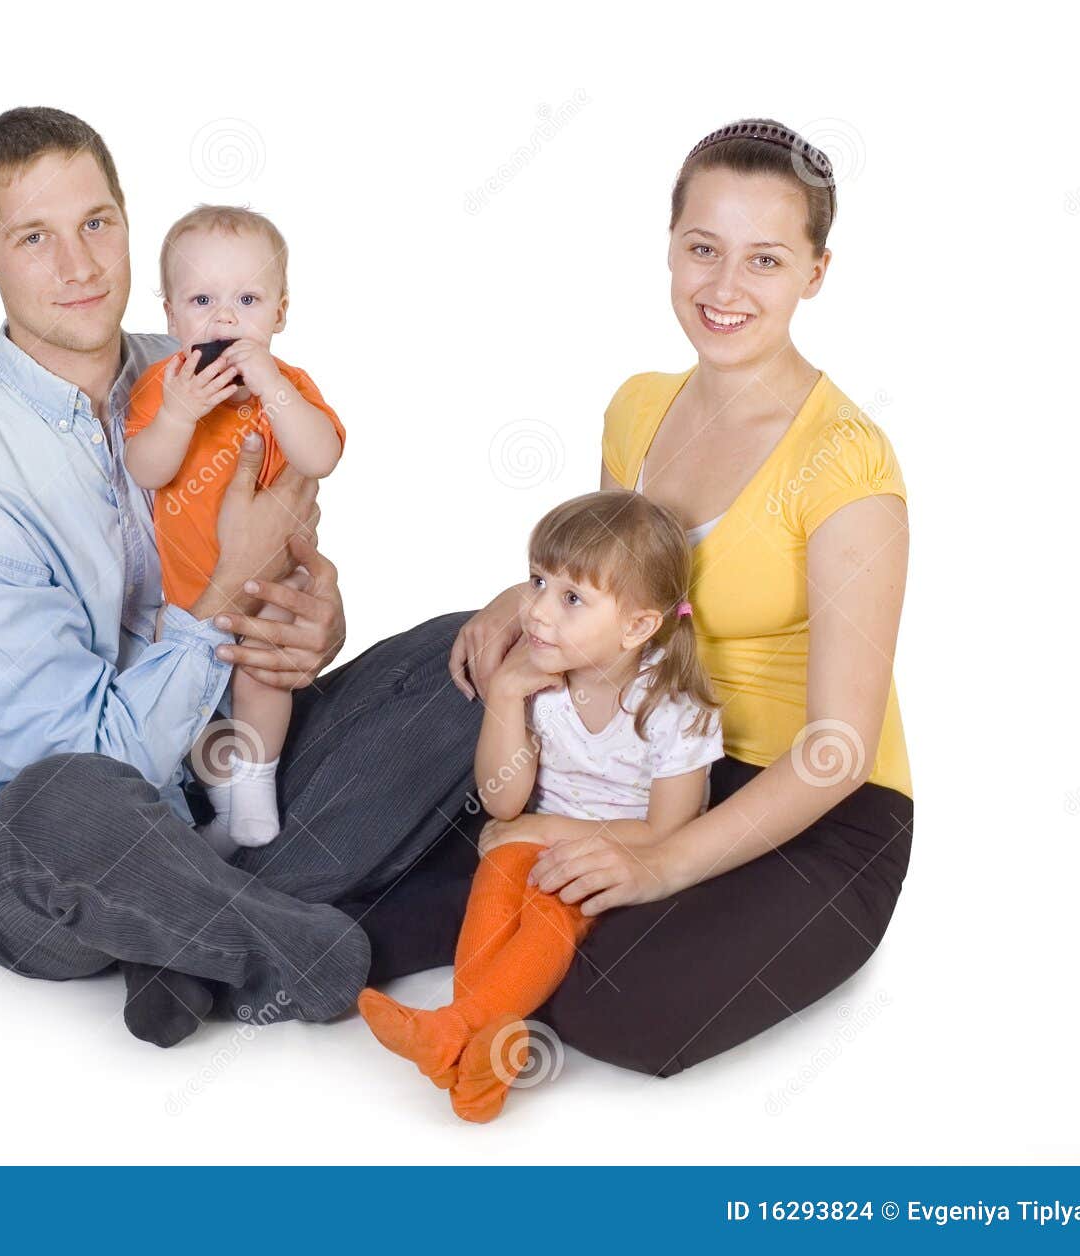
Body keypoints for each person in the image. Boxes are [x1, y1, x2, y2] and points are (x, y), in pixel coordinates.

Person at [0, 107, 480, 1049]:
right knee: (56, 807)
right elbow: (93, 762)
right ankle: (313, 946)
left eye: (97, 223)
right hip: (56, 859)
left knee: (471, 651)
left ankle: (190, 943)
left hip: (232, 774)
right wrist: (230, 585)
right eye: (35, 237)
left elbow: (290, 545)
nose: (79, 266)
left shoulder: (199, 368)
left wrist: (311, 618)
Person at [360, 117, 916, 1080]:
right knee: (427, 802)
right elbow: (614, 583)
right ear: (670, 245)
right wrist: (511, 599)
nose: (724, 289)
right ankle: (299, 914)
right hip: (641, 755)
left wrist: (662, 863)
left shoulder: (846, 470)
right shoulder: (639, 407)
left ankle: (488, 933)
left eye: (765, 260)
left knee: (616, 1008)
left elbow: (839, 752)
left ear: (815, 273)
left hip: (813, 804)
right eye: (702, 249)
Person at [359, 492, 723, 1120]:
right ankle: (483, 1067)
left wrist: (549, 828)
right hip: (529, 834)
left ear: (638, 626)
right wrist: (505, 693)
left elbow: (670, 829)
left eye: (571, 598)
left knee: (549, 913)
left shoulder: (671, 709)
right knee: (495, 891)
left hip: (617, 850)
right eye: (537, 582)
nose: (536, 611)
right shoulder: (540, 681)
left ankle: (456, 1026)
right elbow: (503, 800)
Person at [125, 205, 345, 851]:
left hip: (274, 591)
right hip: (185, 599)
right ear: (171, 317)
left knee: (262, 677)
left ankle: (255, 790)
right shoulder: (164, 386)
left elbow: (321, 456)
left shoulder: (291, 387)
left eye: (247, 300)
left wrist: (272, 385)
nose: (225, 318)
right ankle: (217, 800)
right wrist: (178, 415)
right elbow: (145, 467)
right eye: (202, 300)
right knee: (189, 704)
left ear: (278, 314)